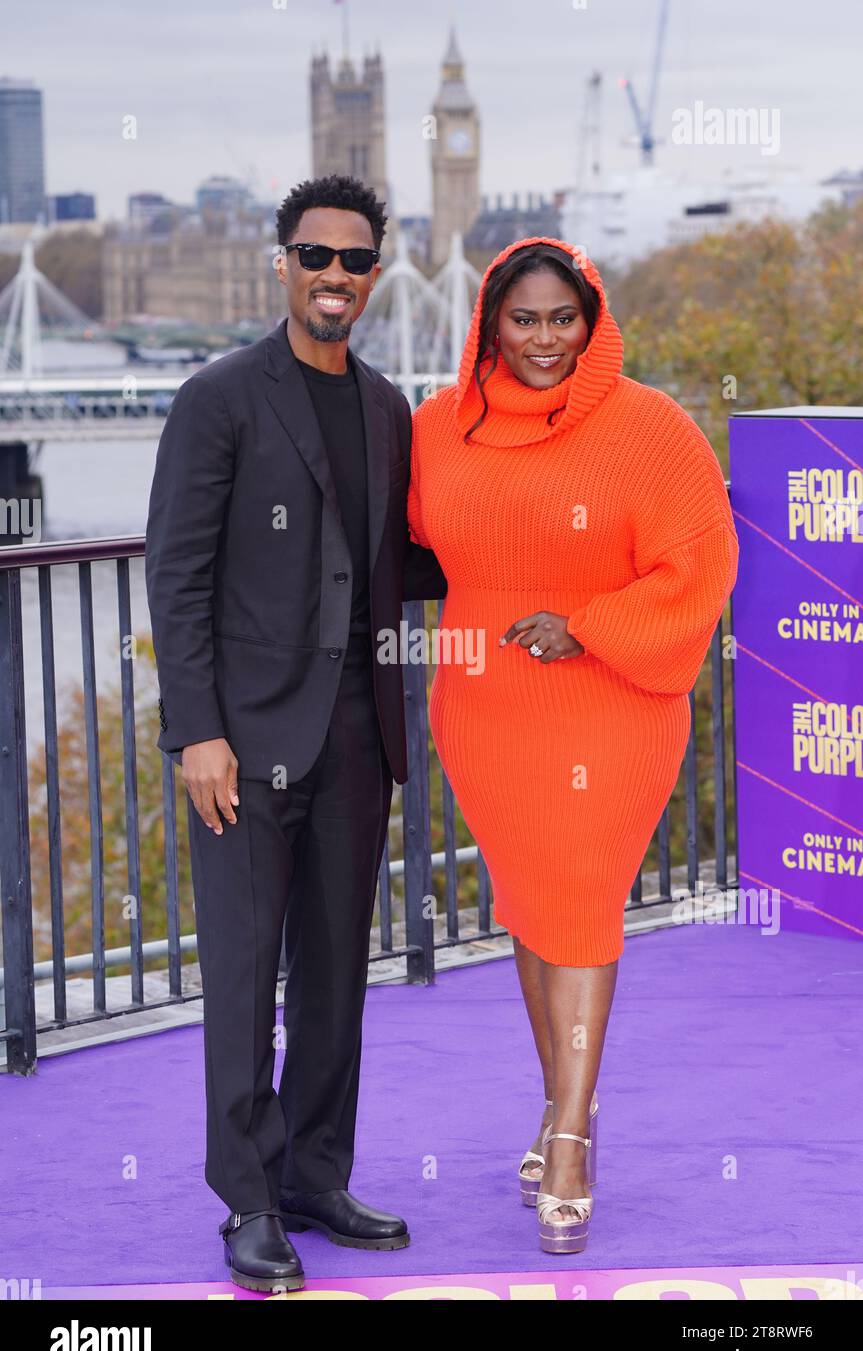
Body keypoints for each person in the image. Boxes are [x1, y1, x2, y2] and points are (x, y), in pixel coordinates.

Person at [408, 235, 739, 1254]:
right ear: (490, 323)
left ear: (590, 323)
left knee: (583, 904)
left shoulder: (650, 427)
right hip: (484, 706)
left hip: (611, 701)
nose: (544, 339)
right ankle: (566, 1102)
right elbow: (399, 533)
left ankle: (567, 1143)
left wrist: (585, 625)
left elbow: (699, 566)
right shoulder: (438, 426)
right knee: (531, 906)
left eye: (563, 318)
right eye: (524, 319)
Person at [145, 174, 446, 1292]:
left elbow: (398, 560)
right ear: (282, 264)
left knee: (333, 976)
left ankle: (317, 1176)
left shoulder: (387, 407)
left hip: (359, 738)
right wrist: (196, 732)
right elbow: (176, 576)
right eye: (315, 255)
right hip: (242, 743)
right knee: (242, 977)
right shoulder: (218, 397)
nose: (334, 275)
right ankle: (250, 1200)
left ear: (374, 275)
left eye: (355, 260)